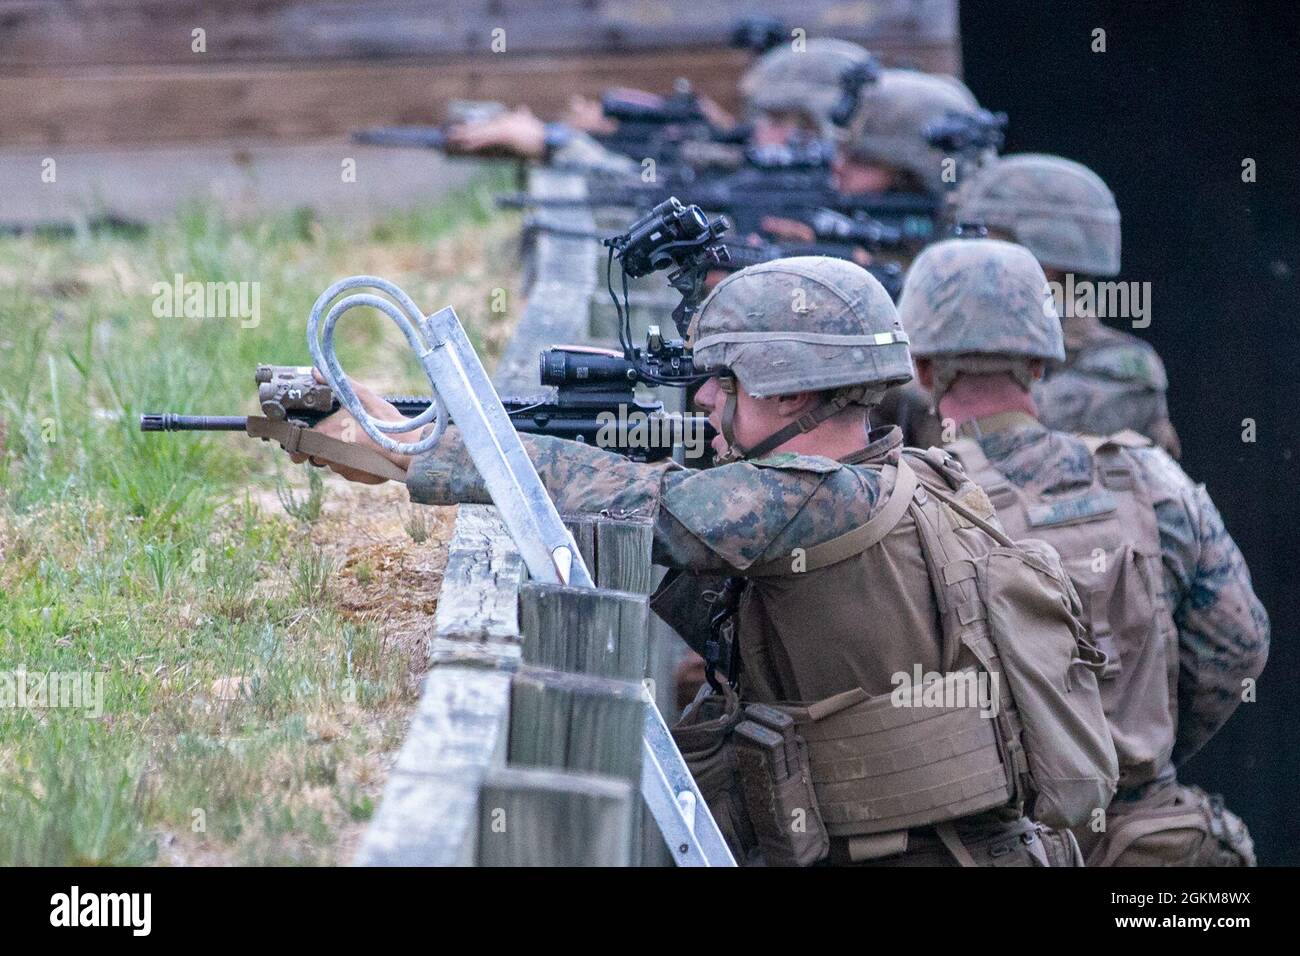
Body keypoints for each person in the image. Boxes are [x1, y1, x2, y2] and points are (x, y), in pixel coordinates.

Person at [287, 256, 1114, 866]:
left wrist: (402, 443)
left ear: (790, 391)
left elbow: (638, 503)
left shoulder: (814, 502)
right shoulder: (899, 477)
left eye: (726, 379)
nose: (706, 400)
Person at [898, 237, 1268, 865]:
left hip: (986, 841)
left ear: (924, 369)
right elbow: (1239, 645)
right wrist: (1140, 763)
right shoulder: (1154, 480)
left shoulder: (908, 501)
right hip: (1143, 848)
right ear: (1041, 364)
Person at [953, 153, 1182, 455]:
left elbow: (1011, 428)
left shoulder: (1125, 369)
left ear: (1046, 263)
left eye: (989, 245)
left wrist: (906, 378)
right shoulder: (975, 337)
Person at [837, 68, 994, 447]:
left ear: (917, 175)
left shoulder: (975, 272)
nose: (838, 167)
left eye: (862, 160)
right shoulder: (875, 248)